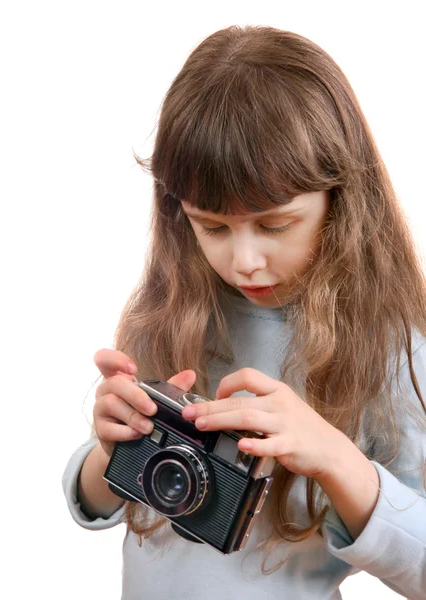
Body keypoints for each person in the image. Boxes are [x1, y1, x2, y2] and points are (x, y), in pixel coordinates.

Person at [62, 25, 426, 600]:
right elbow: (98, 501)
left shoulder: (387, 348)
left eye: (275, 225)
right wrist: (110, 451)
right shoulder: (173, 312)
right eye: (212, 226)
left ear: (341, 200)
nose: (245, 261)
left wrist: (333, 456)